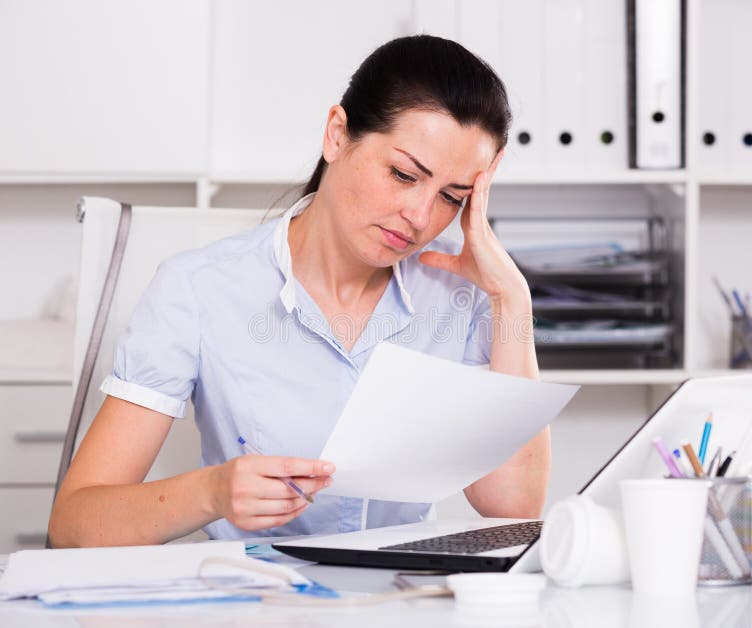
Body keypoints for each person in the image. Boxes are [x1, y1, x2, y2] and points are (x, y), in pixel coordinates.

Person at [48, 34, 550, 548]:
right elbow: (73, 527)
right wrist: (212, 493)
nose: (421, 218)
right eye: (402, 175)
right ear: (337, 135)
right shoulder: (197, 290)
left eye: (451, 196)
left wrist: (512, 299)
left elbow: (512, 505)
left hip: (403, 600)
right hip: (255, 600)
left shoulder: (460, 295)